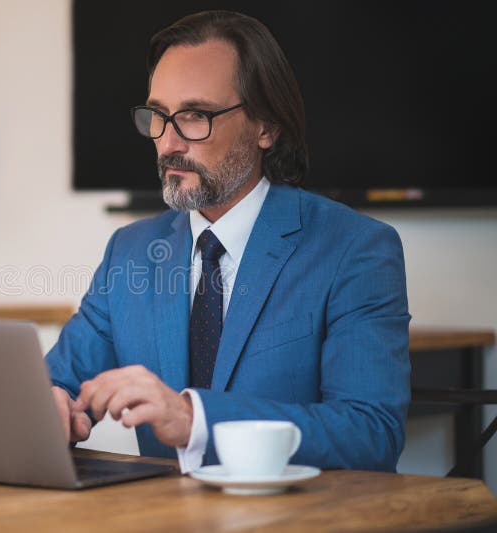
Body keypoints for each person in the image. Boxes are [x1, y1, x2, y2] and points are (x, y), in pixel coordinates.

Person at [45, 10, 410, 473]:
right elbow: (57, 381)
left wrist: (193, 419)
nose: (168, 143)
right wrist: (52, 403)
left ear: (266, 128)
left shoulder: (354, 250)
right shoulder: (130, 251)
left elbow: (371, 433)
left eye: (195, 116)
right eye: (157, 115)